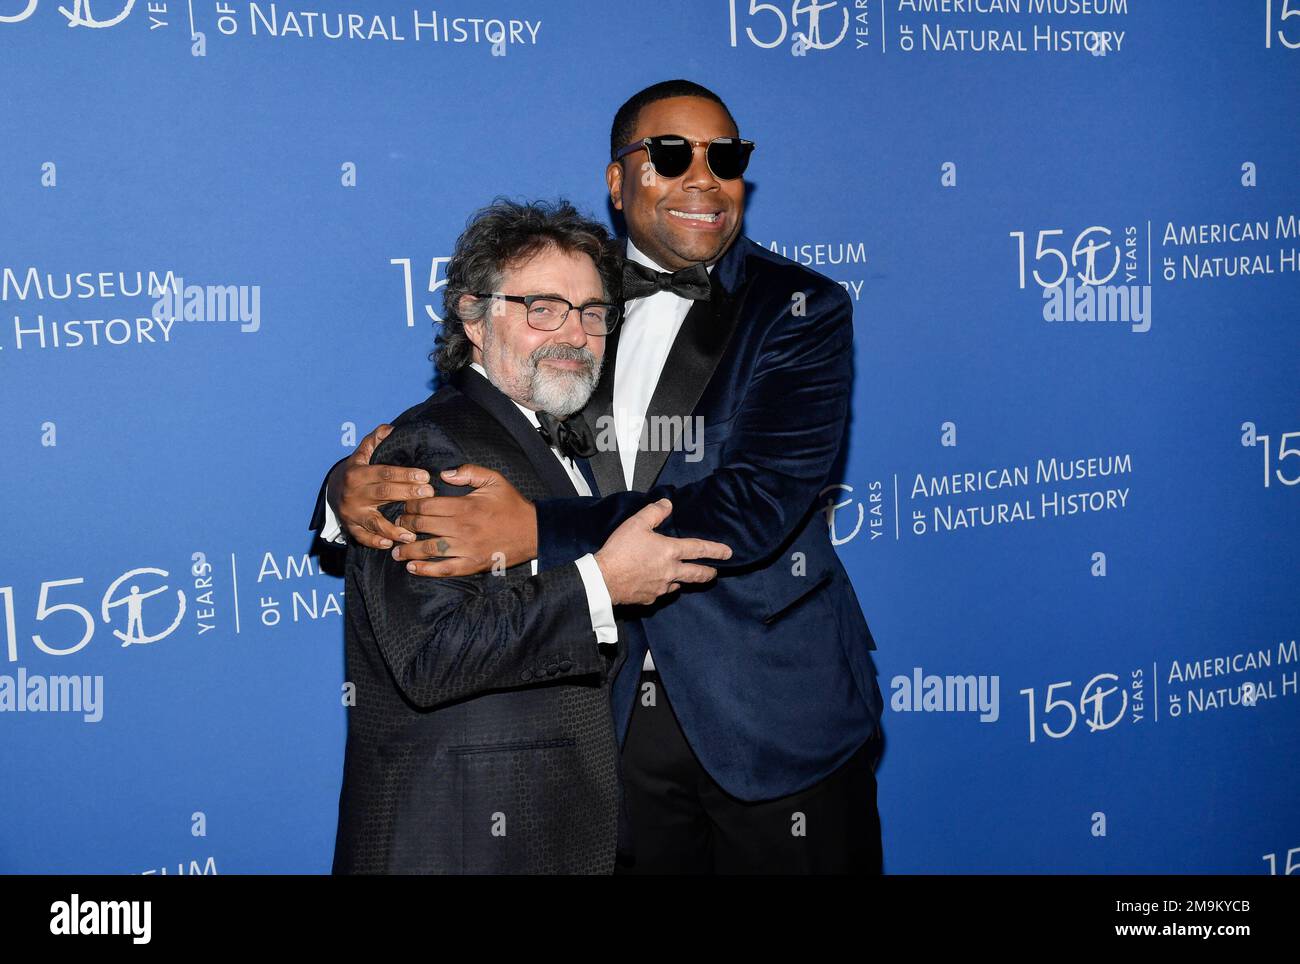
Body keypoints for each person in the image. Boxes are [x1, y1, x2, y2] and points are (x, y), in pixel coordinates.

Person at [318, 80, 885, 874]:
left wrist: (535, 531)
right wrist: (348, 488)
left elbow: (755, 506)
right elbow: (475, 424)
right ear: (617, 181)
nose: (702, 178)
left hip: (770, 710)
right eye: (670, 155)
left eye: (725, 157)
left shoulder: (800, 308)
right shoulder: (575, 299)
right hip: (604, 723)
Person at [329, 197, 731, 874]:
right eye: (542, 307)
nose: (575, 333)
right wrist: (601, 585)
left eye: (595, 312)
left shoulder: (577, 444)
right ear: (474, 318)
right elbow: (433, 654)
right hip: (463, 839)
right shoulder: (436, 447)